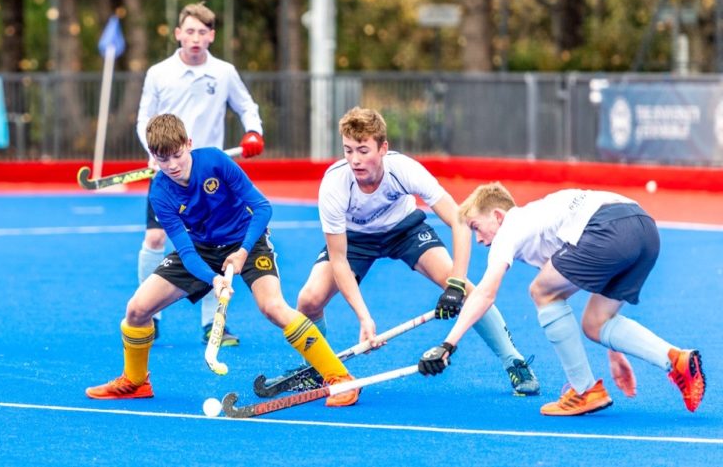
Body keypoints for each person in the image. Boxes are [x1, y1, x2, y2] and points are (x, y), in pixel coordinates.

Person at [86, 114, 359, 407]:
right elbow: (186, 251)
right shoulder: (160, 192)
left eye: (178, 155)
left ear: (188, 144)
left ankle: (340, 378)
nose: (173, 166)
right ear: (153, 157)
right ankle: (135, 381)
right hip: (202, 249)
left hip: (248, 242)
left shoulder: (215, 161)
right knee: (137, 309)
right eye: (163, 160)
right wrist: (214, 279)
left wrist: (242, 252)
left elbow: (262, 208)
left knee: (273, 307)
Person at [291, 107, 539, 396]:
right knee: (308, 300)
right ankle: (319, 370)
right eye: (348, 151)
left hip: (404, 231)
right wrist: (364, 317)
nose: (355, 160)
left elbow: (458, 220)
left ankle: (515, 362)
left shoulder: (404, 170)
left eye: (363, 150)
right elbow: (339, 258)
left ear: (383, 148)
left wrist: (456, 283)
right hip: (356, 240)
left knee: (470, 291)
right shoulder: (334, 185)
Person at [418, 182, 706, 416]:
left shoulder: (512, 227)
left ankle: (584, 390)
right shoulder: (543, 227)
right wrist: (614, 351)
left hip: (607, 227)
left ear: (497, 216)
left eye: (476, 227)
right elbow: (600, 271)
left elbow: (485, 293)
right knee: (596, 324)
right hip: (644, 229)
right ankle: (677, 360)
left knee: (540, 291)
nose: (478, 239)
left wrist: (448, 344)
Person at [135, 1, 265, 345]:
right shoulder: (159, 73)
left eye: (202, 32)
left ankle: (213, 325)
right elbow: (143, 118)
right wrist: (153, 153)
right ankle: (151, 316)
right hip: (168, 169)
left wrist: (254, 131)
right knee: (154, 238)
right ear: (178, 34)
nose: (195, 38)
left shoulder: (223, 72)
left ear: (211, 36)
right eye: (189, 31)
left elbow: (247, 106)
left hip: (212, 176)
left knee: (214, 242)